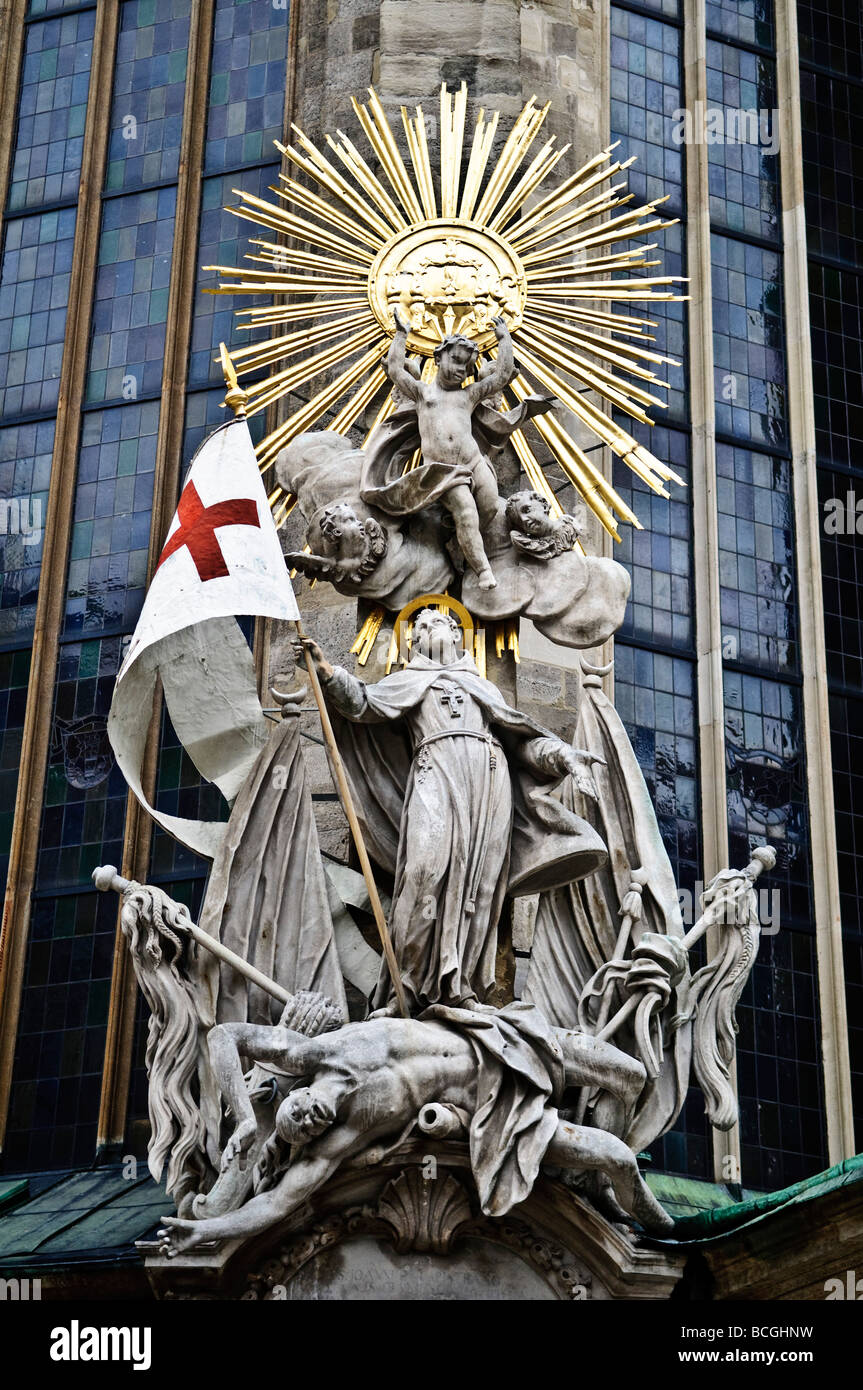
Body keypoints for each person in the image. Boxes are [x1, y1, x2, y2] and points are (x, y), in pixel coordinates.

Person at [156, 1001, 673, 1255]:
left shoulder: (322, 1050)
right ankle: (671, 1234)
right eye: (302, 1129)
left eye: (295, 1112)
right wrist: (205, 1229)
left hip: (505, 1038)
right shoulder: (342, 1140)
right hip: (500, 1112)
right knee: (619, 1158)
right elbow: (275, 1204)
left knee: (632, 1076)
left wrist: (245, 1115)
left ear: (296, 1086)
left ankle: (594, 1188)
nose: (305, 1119)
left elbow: (225, 1035)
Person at [292, 609, 607, 1016]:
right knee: (423, 872)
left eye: (436, 622)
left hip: (489, 786)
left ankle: (463, 986)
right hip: (435, 775)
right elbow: (365, 705)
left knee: (481, 886)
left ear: (459, 635)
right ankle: (403, 990)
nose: (427, 628)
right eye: (419, 627)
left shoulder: (484, 689)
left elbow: (522, 743)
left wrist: (563, 755)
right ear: (413, 645)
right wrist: (327, 672)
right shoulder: (407, 681)